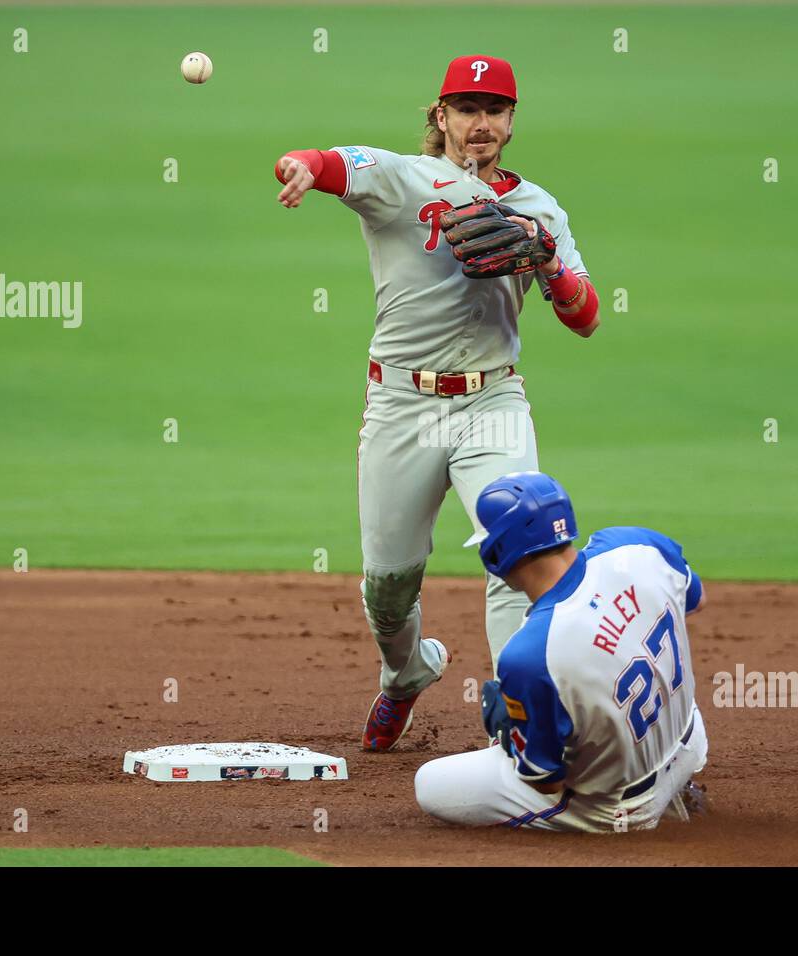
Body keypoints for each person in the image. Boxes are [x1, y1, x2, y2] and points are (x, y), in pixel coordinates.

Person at [273, 56, 600, 751]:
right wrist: (298, 168)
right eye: (466, 108)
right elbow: (326, 160)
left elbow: (585, 317)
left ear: (511, 120)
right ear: (440, 115)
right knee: (387, 588)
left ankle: (520, 725)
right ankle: (406, 675)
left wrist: (546, 259)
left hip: (495, 401)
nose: (480, 124)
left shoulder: (539, 208)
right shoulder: (400, 180)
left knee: (520, 550)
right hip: (400, 404)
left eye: (494, 110)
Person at [414, 472, 708, 831]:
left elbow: (545, 780)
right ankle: (678, 781)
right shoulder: (634, 546)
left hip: (623, 806)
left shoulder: (531, 653)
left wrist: (509, 731)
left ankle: (636, 809)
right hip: (687, 742)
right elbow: (696, 599)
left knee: (430, 783)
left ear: (497, 552)